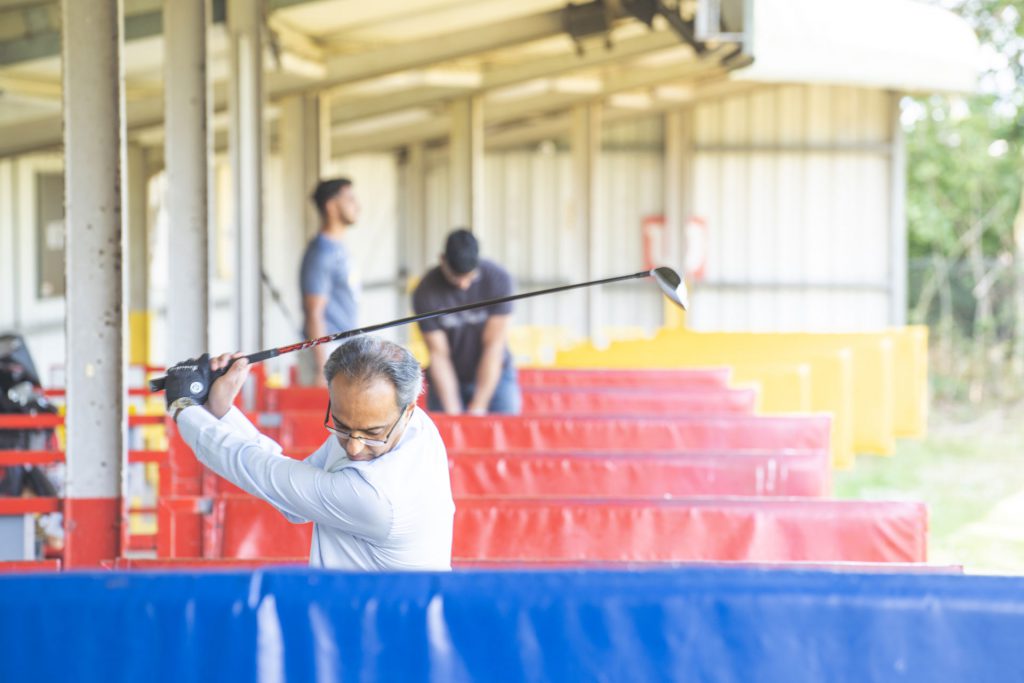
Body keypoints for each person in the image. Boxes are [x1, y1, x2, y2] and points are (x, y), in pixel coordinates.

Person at [163, 336, 455, 571]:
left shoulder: (376, 499)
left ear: (408, 412)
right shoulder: (407, 426)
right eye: (341, 426)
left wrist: (184, 406)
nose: (354, 446)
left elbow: (262, 472)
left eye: (372, 433)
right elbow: (292, 493)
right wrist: (221, 409)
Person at [412, 229, 521, 415]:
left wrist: (478, 407)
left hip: (496, 373)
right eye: (456, 277)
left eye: (469, 277)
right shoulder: (426, 290)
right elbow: (438, 354)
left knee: (505, 429)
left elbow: (493, 346)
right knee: (445, 432)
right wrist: (453, 413)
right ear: (442, 260)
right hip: (448, 374)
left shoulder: (499, 280)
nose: (463, 285)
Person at [299, 178, 361, 386]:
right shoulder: (321, 252)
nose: (357, 206)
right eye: (350, 199)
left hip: (344, 350)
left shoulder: (338, 248)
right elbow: (314, 312)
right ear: (331, 206)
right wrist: (321, 367)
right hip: (328, 355)